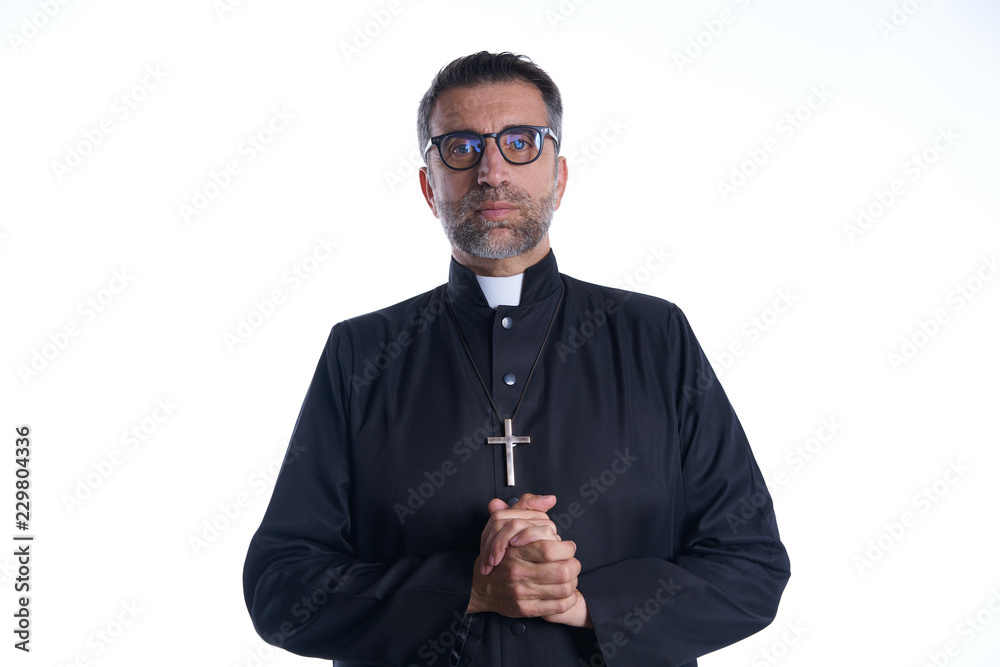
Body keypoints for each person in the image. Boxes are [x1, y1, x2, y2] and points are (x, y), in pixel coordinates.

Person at [243, 51, 790, 667]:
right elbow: (280, 587)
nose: (492, 171)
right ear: (430, 185)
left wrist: (582, 601)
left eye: (521, 142)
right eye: (461, 147)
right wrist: (468, 589)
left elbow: (750, 565)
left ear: (558, 175)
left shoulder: (655, 336)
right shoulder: (361, 352)